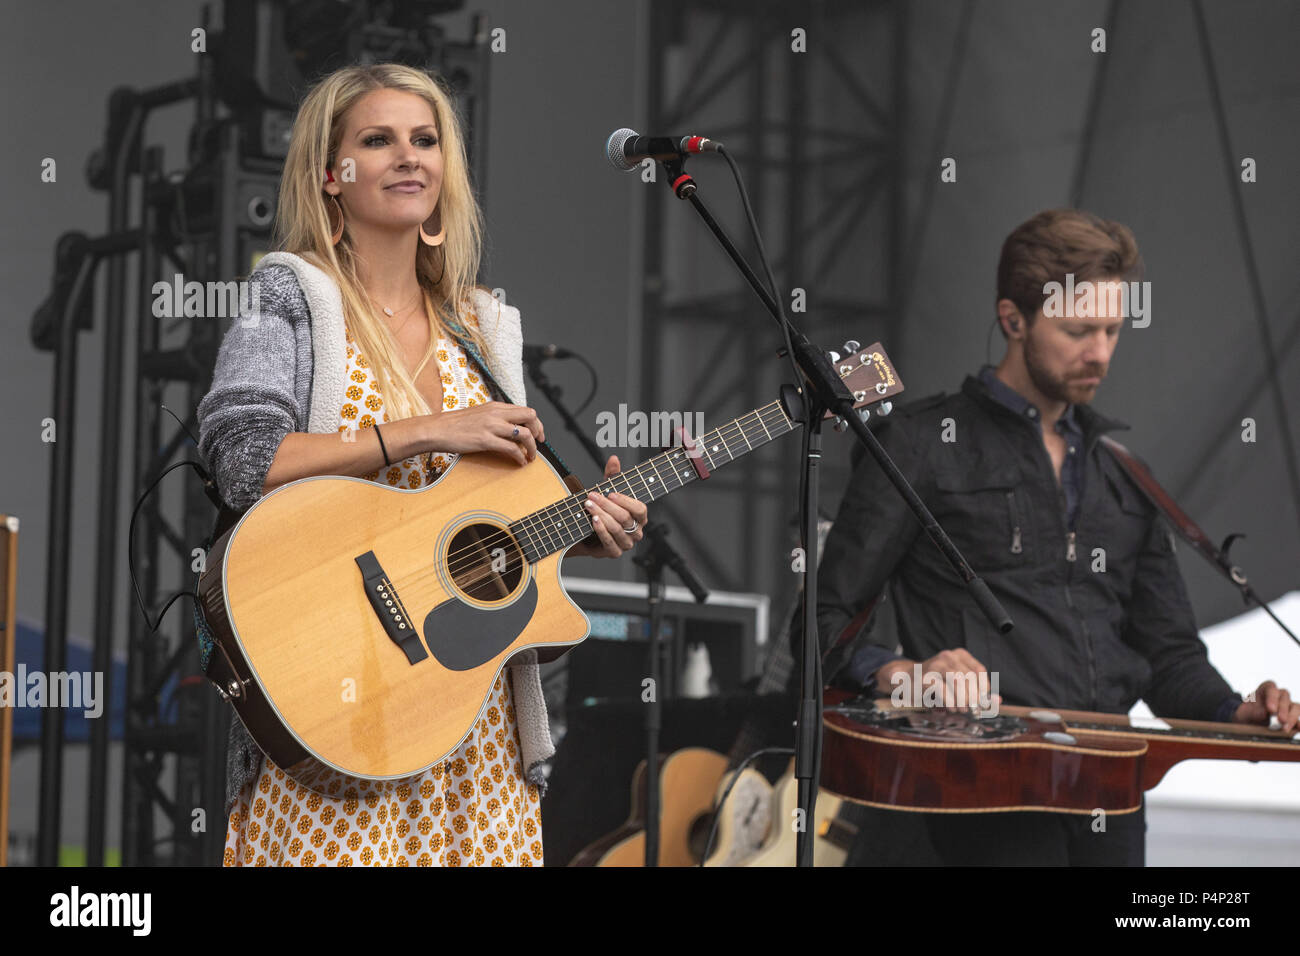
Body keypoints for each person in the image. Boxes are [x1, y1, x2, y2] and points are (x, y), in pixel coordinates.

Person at [197, 63, 648, 867]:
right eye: (377, 140)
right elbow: (246, 463)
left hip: (477, 739)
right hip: (338, 711)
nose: (409, 157)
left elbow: (468, 525)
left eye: (426, 139)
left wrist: (584, 530)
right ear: (329, 176)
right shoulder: (289, 303)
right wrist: (429, 428)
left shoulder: (484, 328)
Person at [817, 208, 1298, 866]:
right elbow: (820, 628)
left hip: (1111, 802)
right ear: (1012, 320)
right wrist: (905, 673)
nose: (1099, 351)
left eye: (1111, 330)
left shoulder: (1126, 475)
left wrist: (1231, 711)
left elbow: (1168, 655)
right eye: (1077, 330)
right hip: (974, 801)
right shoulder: (918, 445)